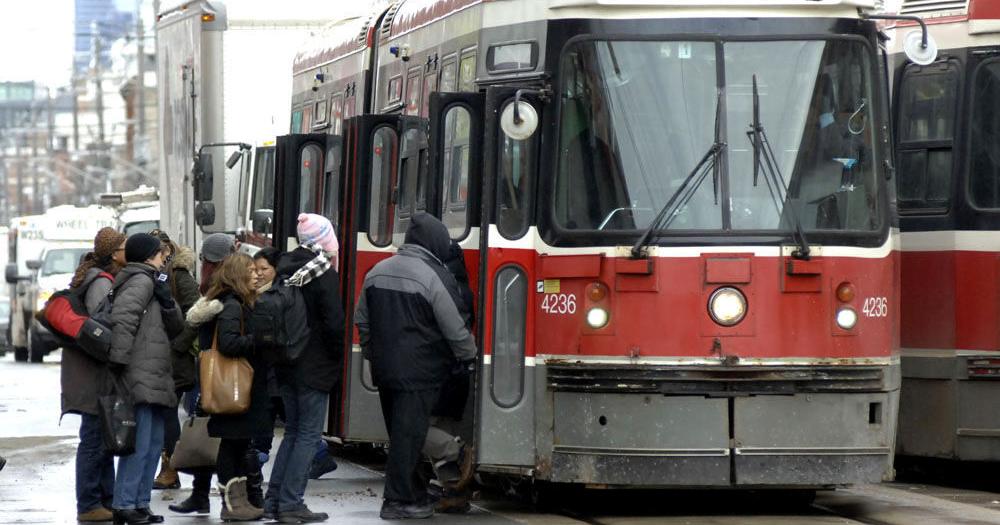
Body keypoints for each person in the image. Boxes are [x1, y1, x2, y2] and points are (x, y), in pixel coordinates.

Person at [355, 213, 476, 520]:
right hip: (421, 371)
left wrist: (372, 353)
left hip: (385, 371)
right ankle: (397, 501)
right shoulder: (432, 276)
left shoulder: (377, 271)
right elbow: (454, 326)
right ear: (434, 241)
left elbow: (362, 320)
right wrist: (468, 355)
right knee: (410, 436)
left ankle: (415, 495)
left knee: (402, 435)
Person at [264, 214, 344, 523]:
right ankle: (291, 503)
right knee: (308, 435)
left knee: (293, 432)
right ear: (325, 239)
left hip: (285, 363)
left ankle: (274, 500)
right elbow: (334, 325)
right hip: (314, 366)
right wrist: (334, 360)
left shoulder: (284, 268)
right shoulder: (322, 272)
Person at [108, 233, 185, 525]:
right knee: (140, 444)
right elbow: (124, 319)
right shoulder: (140, 280)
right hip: (139, 371)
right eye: (159, 253)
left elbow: (176, 325)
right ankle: (125, 503)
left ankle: (140, 503)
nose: (164, 256)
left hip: (154, 371)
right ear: (149, 255)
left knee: (153, 443)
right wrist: (120, 361)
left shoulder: (155, 281)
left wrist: (167, 302)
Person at [193, 253, 268, 521]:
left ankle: (237, 503)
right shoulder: (233, 305)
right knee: (232, 445)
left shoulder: (229, 301)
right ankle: (232, 505)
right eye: (251, 270)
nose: (256, 274)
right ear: (238, 274)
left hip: (236, 388)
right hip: (235, 388)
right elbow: (228, 343)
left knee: (236, 445)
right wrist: (259, 340)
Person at [63, 227, 126, 523]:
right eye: (123, 246)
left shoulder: (96, 278)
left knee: (102, 436)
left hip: (89, 372)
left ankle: (103, 499)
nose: (127, 250)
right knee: (93, 438)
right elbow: (99, 331)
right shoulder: (101, 283)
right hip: (93, 373)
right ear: (114, 253)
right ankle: (89, 503)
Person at [151, 230, 201, 491]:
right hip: (159, 357)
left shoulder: (179, 275)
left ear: (169, 250)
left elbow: (196, 313)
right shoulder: (152, 275)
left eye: (162, 249)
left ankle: (171, 470)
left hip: (176, 360)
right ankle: (168, 468)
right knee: (162, 414)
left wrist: (179, 345)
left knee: (168, 413)